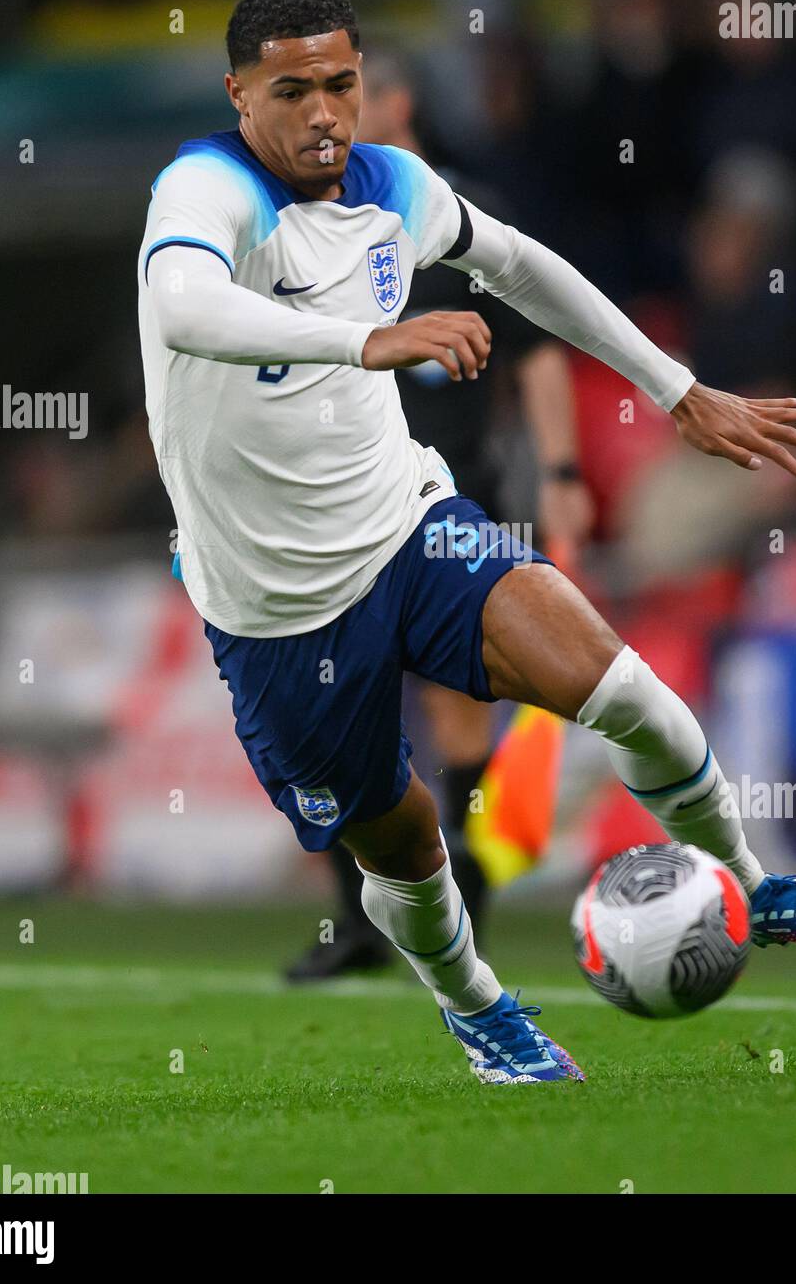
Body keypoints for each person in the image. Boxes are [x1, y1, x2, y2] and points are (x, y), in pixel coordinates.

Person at [138, 0, 796, 1086]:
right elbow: (181, 308)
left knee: (622, 686)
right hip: (274, 607)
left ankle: (751, 882)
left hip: (410, 525)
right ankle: (476, 1004)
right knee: (398, 841)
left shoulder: (394, 184)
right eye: (290, 90)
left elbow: (520, 264)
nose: (322, 115)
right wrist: (368, 344)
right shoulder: (205, 189)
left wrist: (675, 387)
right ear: (239, 94)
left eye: (340, 84)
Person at [284, 48, 593, 982]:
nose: (328, 119)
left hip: (452, 501)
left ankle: (469, 925)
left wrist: (565, 468)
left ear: (401, 100)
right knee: (341, 713)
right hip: (342, 510)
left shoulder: (459, 217)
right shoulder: (314, 228)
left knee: (463, 726)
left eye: (348, 94)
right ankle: (360, 926)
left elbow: (538, 354)